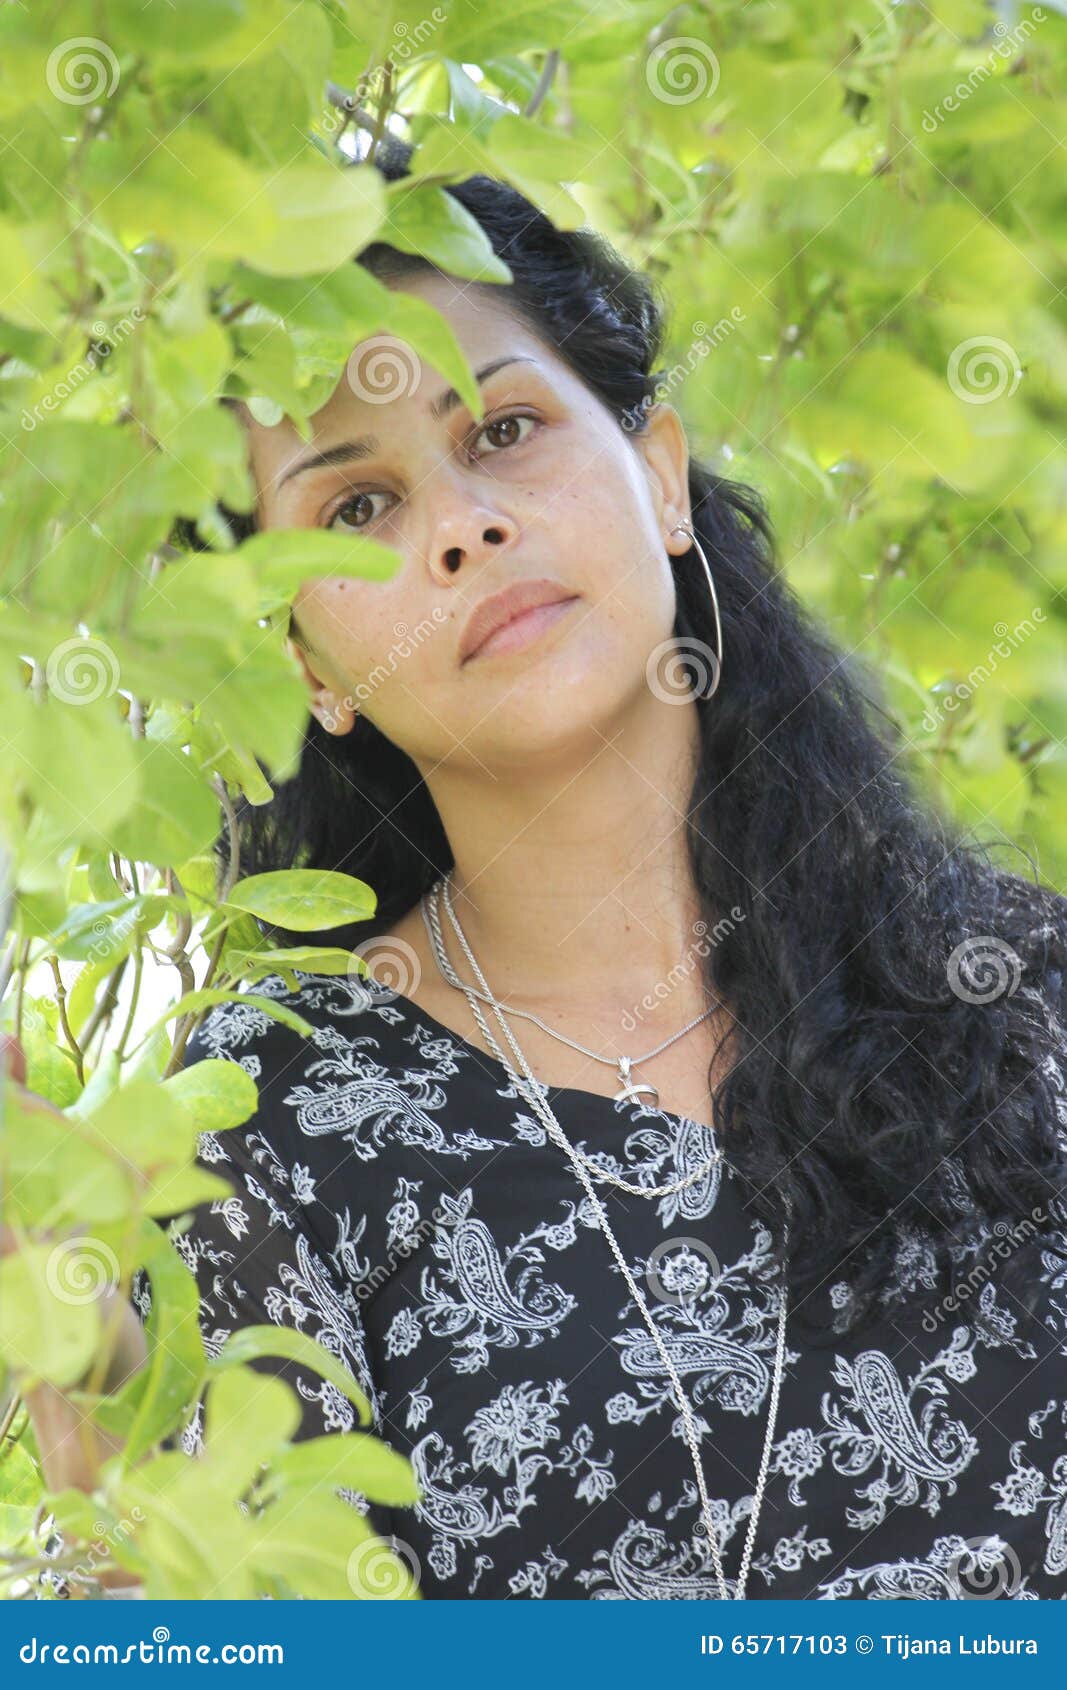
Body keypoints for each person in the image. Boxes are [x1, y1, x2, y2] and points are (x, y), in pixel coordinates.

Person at [20, 135, 1067, 1600]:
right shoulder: (275, 1123)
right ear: (306, 667)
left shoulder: (1025, 995)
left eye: (504, 429)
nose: (464, 527)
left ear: (662, 477)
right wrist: (130, 1446)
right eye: (356, 509)